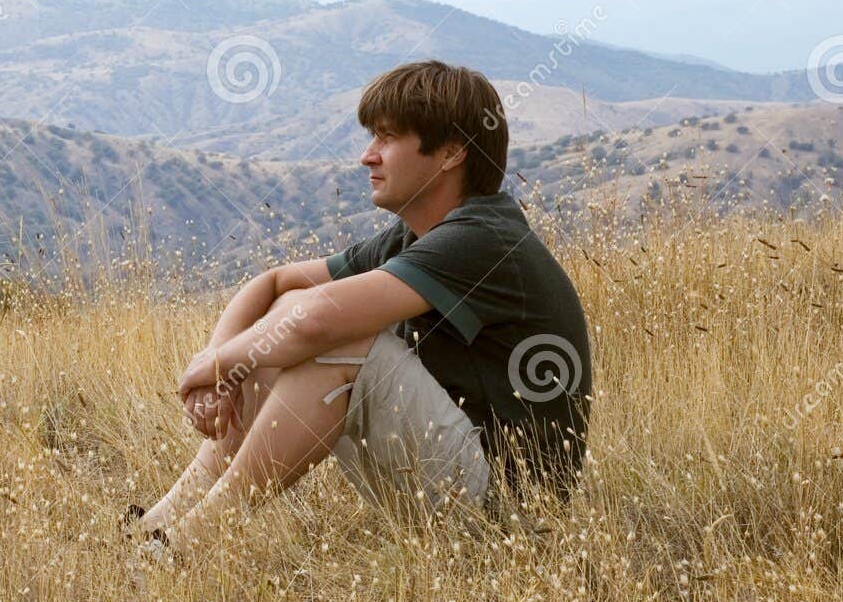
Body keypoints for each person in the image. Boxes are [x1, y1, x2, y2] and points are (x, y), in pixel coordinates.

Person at [125, 59, 592, 561]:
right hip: (452, 484)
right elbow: (275, 282)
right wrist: (221, 362)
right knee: (289, 313)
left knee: (340, 339)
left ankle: (189, 545)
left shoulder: (483, 239)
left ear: (451, 153)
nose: (367, 156)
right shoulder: (418, 235)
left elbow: (318, 320)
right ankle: (159, 526)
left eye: (387, 138)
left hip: (513, 521)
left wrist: (215, 367)